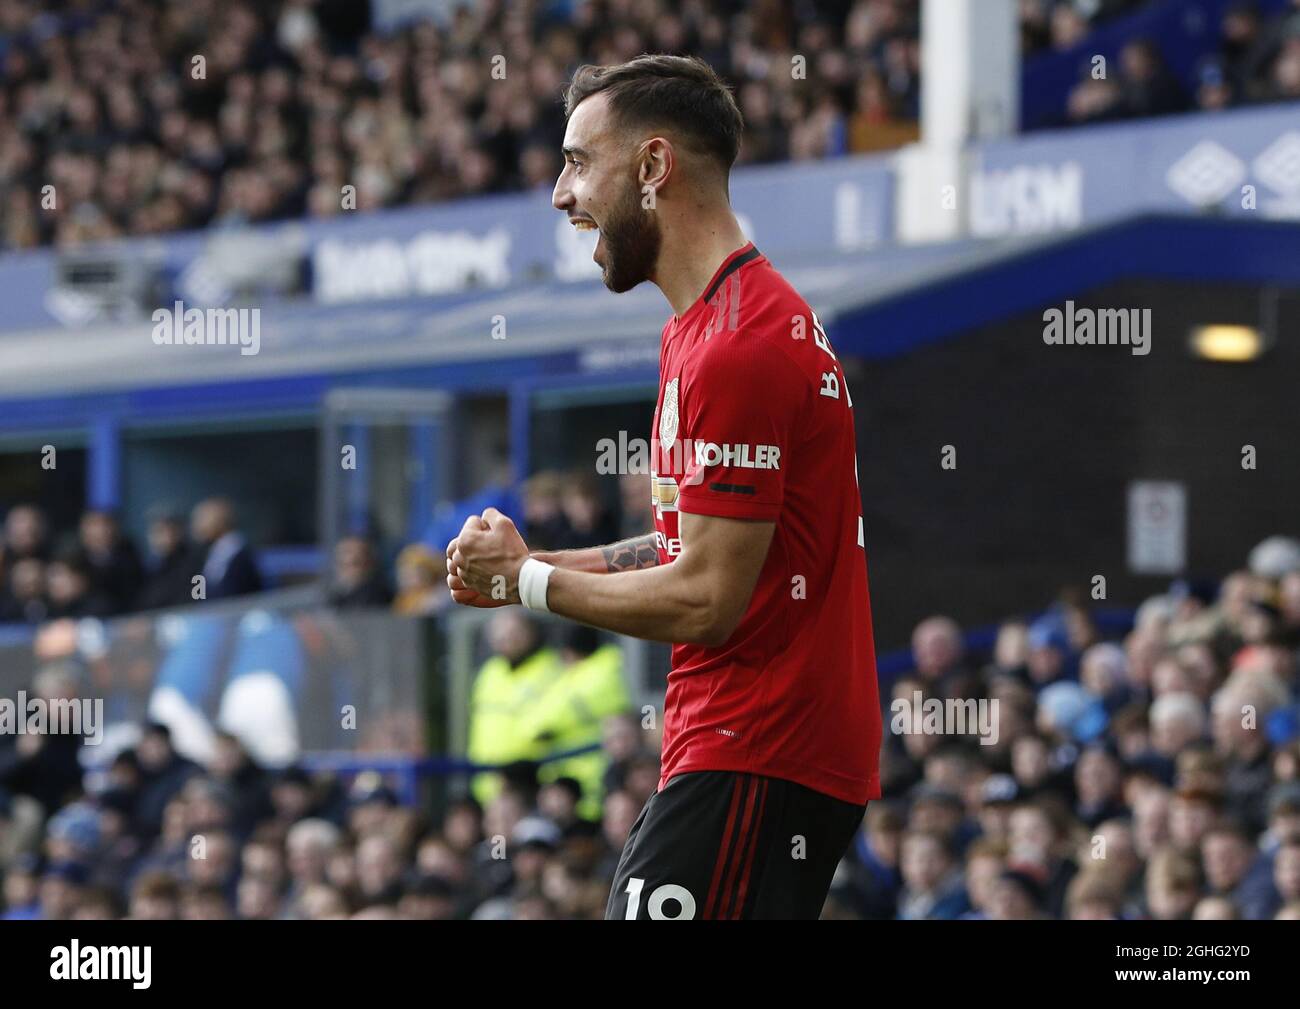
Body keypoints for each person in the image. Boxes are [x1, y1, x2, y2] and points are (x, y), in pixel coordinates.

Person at [446, 55, 882, 919]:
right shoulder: (705, 328)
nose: (561, 195)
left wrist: (528, 584)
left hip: (760, 744)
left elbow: (706, 598)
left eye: (578, 162)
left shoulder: (738, 345)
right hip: (744, 746)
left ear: (653, 166)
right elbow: (692, 548)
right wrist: (530, 566)